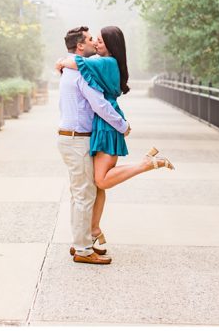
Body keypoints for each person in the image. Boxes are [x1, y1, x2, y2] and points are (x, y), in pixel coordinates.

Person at [57, 26, 174, 253]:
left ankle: (147, 163)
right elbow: (79, 67)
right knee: (95, 187)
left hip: (106, 125)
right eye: (93, 39)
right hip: (101, 126)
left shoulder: (105, 63)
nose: (96, 43)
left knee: (98, 183)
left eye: (99, 40)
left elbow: (95, 96)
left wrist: (63, 62)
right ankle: (90, 233)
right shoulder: (103, 64)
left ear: (109, 45)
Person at [58, 26, 129, 265]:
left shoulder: (75, 69)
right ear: (80, 46)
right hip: (77, 138)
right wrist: (122, 125)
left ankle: (82, 242)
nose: (93, 43)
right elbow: (99, 104)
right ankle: (83, 249)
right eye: (90, 40)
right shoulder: (81, 73)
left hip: (74, 138)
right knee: (84, 194)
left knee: (80, 193)